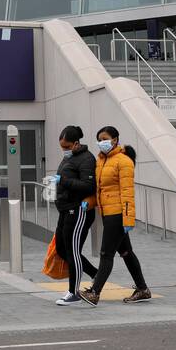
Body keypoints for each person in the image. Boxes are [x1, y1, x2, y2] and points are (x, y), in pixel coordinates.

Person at [80, 126, 151, 305]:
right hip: (107, 213)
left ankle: (95, 293)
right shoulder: (101, 161)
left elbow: (127, 193)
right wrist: (90, 202)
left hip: (118, 214)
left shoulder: (123, 161)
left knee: (106, 254)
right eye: (99, 139)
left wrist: (128, 219)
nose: (101, 142)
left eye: (104, 138)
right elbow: (100, 190)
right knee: (126, 252)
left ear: (115, 139)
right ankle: (142, 289)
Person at [52, 125, 97, 307]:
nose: (64, 150)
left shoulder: (87, 159)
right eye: (62, 147)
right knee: (62, 249)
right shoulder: (69, 159)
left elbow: (88, 186)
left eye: (67, 147)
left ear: (76, 143)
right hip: (65, 209)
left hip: (78, 210)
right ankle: (96, 274)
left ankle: (73, 292)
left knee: (72, 250)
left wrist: (62, 181)